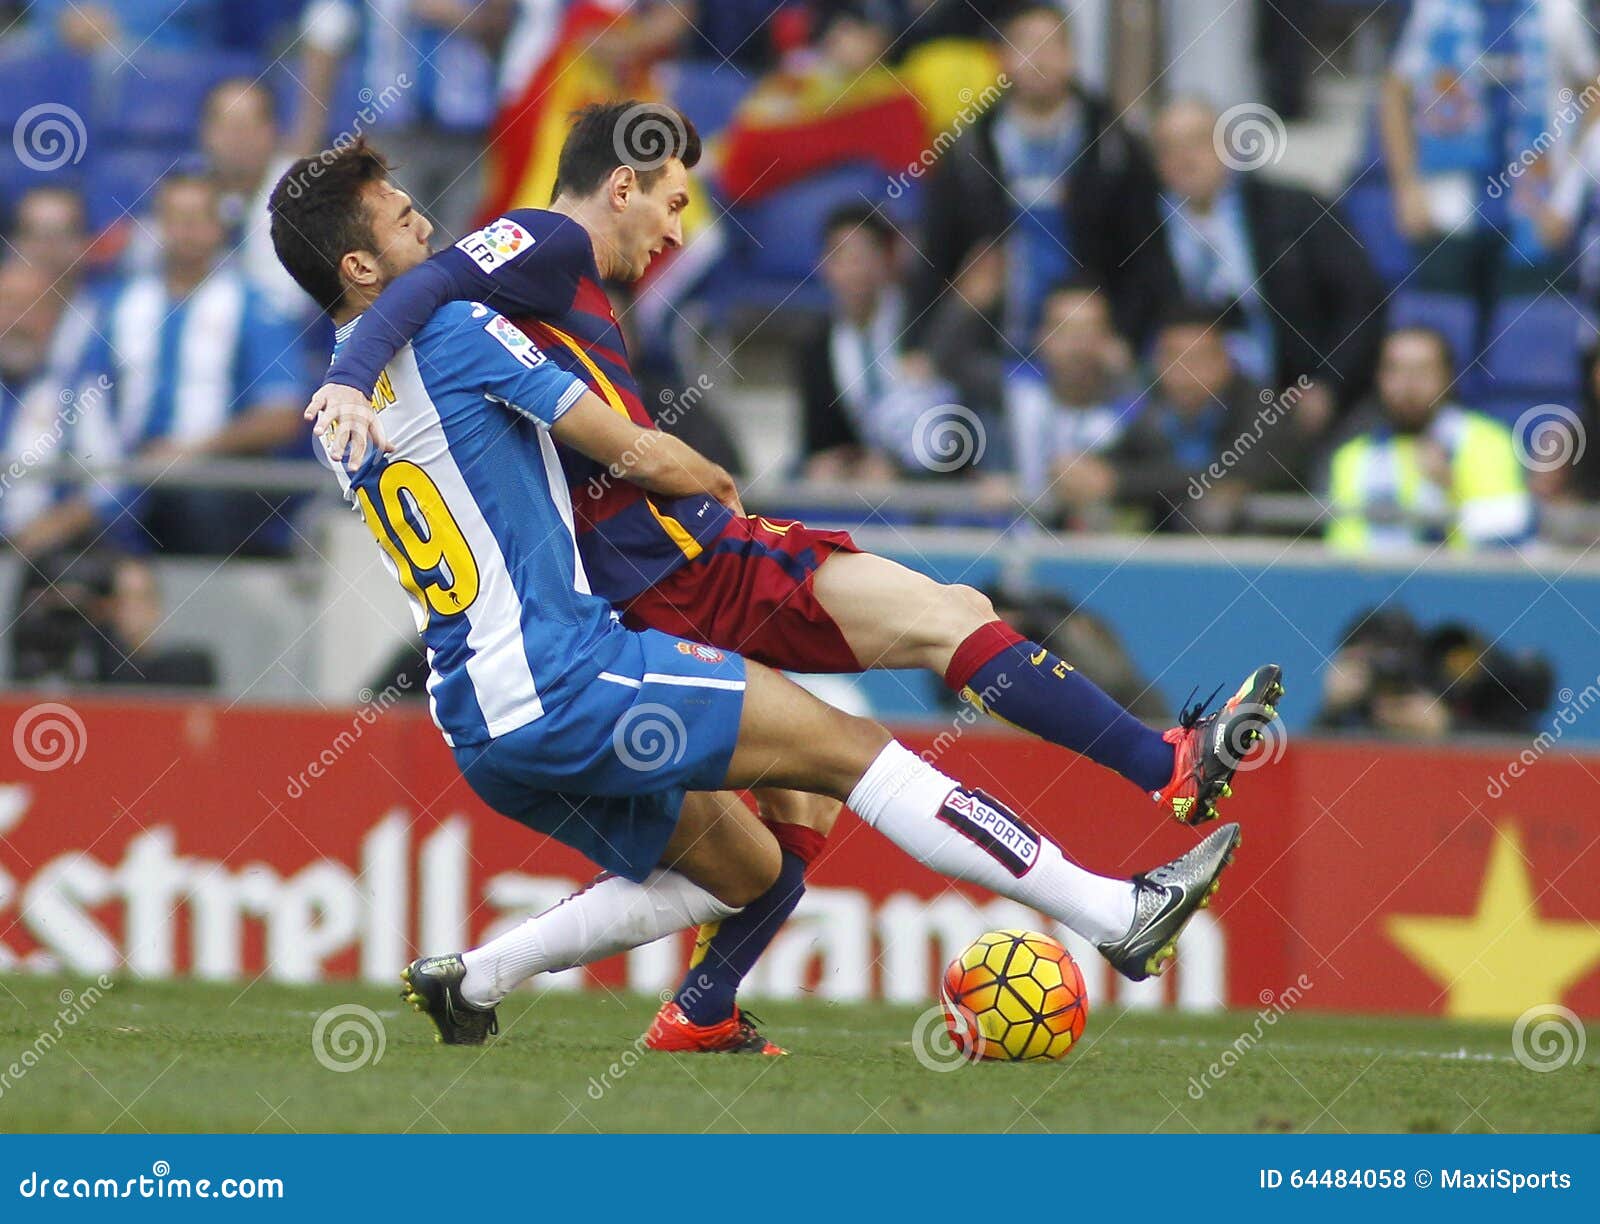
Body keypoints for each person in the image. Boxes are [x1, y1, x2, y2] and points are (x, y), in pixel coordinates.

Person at [299, 102, 1284, 1051]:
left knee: (751, 855)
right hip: (614, 630)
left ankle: (529, 986)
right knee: (867, 737)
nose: (429, 228)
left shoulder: (347, 419)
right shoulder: (482, 300)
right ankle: (1117, 899)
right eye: (403, 217)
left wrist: (344, 375)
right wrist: (696, 474)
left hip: (479, 718)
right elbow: (571, 403)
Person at [1117, 97, 1385, 432]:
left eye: (1197, 141)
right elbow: (1131, 317)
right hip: (1188, 412)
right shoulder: (1140, 229)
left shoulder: (1296, 210)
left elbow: (1362, 300)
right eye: (1169, 148)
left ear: (1229, 145)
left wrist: (1329, 385)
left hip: (1295, 397)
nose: (1185, 159)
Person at [86, 174, 308, 556]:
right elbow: (80, 392)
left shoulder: (254, 305)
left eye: (198, 218)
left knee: (195, 506)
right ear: (157, 225)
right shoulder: (115, 304)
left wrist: (191, 452)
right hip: (123, 469)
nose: (187, 230)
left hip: (214, 475)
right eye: (176, 217)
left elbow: (283, 415)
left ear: (219, 226)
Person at [1325, 327, 1535, 553]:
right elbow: (1343, 554)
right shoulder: (1351, 457)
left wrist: (1451, 489)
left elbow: (1507, 545)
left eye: (1423, 371)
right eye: (1395, 370)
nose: (1408, 385)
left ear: (1448, 377)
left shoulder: (1489, 442)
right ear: (1379, 378)